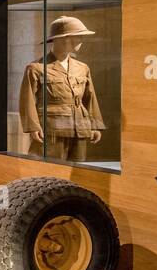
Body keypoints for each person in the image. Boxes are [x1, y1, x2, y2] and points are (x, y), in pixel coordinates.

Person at [19, 15, 104, 161]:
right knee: (48, 171)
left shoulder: (82, 68)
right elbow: (27, 101)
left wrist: (95, 125)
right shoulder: (36, 68)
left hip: (80, 129)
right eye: (77, 36)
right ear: (61, 39)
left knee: (78, 171)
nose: (80, 41)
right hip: (52, 130)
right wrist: (33, 127)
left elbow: (90, 98)